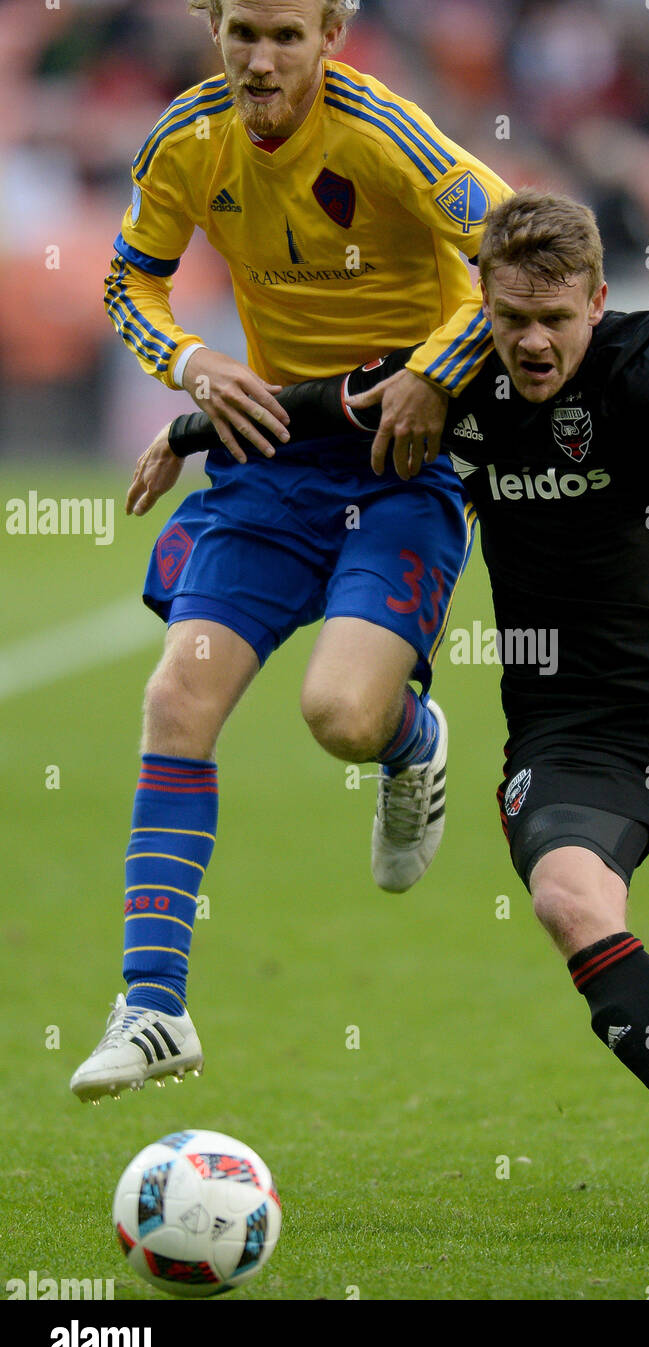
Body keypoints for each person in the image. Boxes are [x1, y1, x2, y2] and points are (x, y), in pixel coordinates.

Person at [142, 189, 649, 1217]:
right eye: (509, 318)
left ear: (595, 302)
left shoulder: (642, 361)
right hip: (570, 717)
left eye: (554, 319)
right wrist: (184, 431)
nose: (531, 343)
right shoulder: (449, 382)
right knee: (567, 901)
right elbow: (315, 404)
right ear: (479, 304)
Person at [70, 0, 513, 1103]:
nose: (262, 59)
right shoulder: (184, 141)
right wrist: (190, 366)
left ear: (332, 33)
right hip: (270, 463)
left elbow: (521, 245)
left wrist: (438, 368)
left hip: (397, 467)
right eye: (242, 33)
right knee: (178, 698)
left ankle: (411, 741)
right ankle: (154, 1007)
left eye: (286, 35)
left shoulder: (387, 137)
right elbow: (130, 281)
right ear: (209, 27)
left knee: (339, 718)